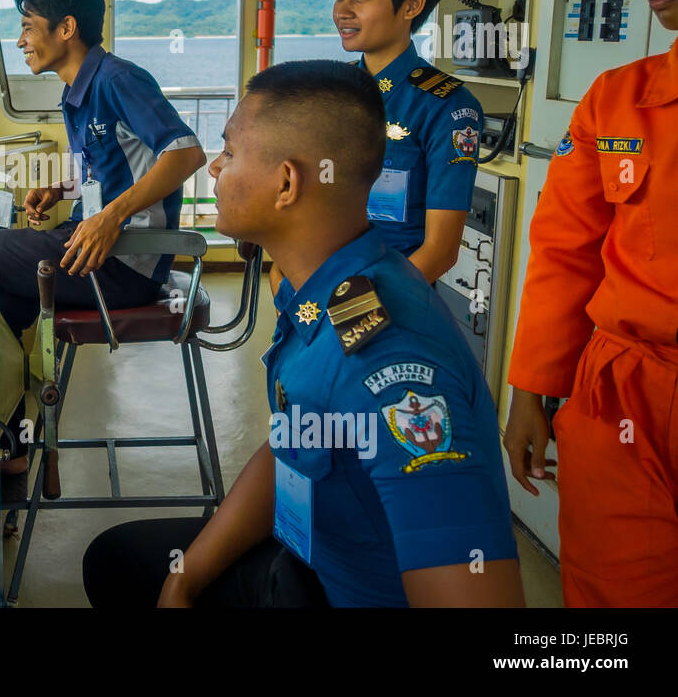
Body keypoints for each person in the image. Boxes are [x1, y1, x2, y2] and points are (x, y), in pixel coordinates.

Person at [83, 60, 523, 608]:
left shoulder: (389, 367)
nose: (216, 169)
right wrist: (186, 578)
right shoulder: (321, 289)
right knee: (118, 560)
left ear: (287, 183)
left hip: (336, 593)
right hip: (303, 557)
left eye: (231, 153)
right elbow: (297, 438)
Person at [504, 0, 678, 607]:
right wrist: (530, 391)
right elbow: (565, 250)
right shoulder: (618, 102)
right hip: (624, 394)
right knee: (615, 592)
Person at [0, 0, 206, 469]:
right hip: (99, 250)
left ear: (65, 28)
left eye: (29, 26)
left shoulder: (118, 80)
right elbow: (106, 162)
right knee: (2, 295)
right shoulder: (79, 89)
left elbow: (185, 154)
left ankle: (2, 440)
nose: (21, 40)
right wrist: (59, 187)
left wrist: (111, 218)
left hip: (127, 267)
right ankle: (11, 445)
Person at [269, 0, 481, 294]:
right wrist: (283, 276)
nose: (342, 11)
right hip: (308, 284)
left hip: (390, 296)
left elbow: (440, 250)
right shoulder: (330, 91)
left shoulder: (447, 106)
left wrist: (361, 308)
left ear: (412, 6)